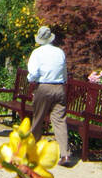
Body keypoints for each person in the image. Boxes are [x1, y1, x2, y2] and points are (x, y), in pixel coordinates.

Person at [26, 26, 75, 167]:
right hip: (59, 87)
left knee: (38, 118)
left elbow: (33, 73)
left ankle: (31, 151)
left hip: (44, 87)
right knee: (59, 121)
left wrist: (31, 79)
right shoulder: (59, 52)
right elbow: (64, 71)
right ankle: (65, 154)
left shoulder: (37, 53)